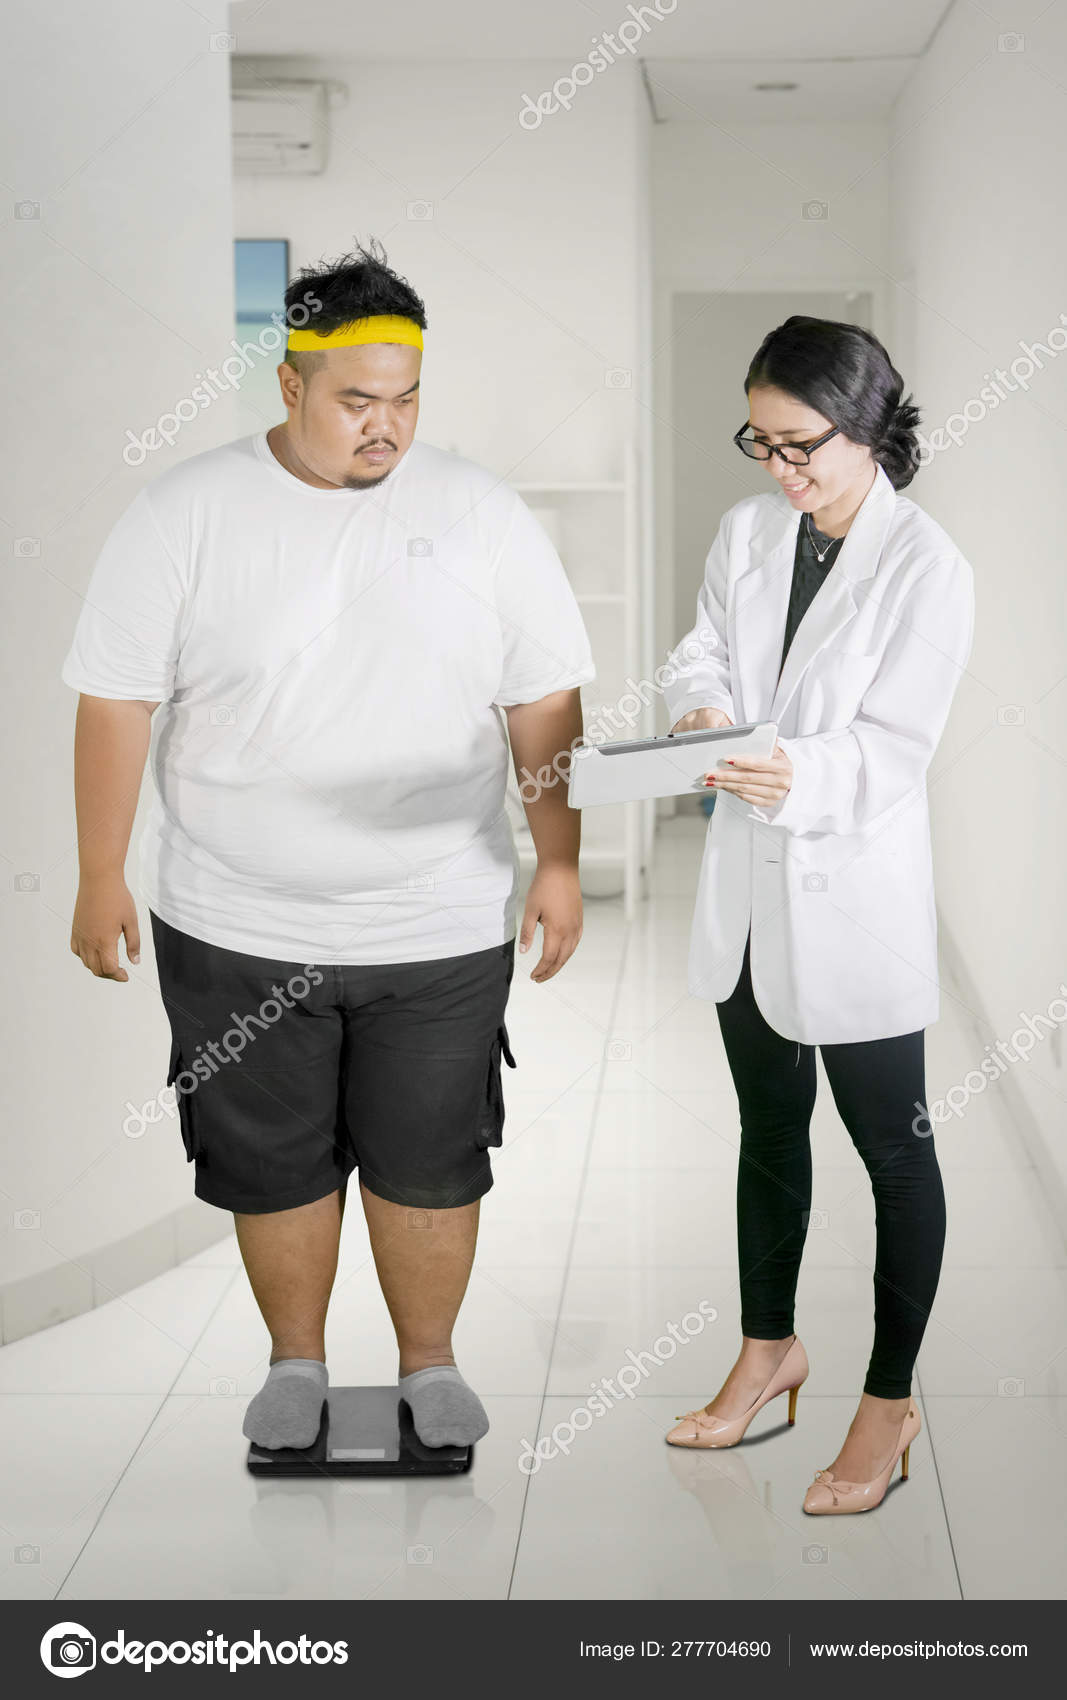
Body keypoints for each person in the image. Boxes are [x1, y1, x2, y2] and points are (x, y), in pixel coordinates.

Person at [61, 240, 595, 1454]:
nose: (386, 428)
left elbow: (543, 701)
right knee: (270, 1156)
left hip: (437, 916)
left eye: (407, 399)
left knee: (431, 1153)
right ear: (289, 382)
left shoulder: (480, 513)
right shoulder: (185, 511)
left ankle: (431, 1363)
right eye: (358, 400)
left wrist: (556, 857)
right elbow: (113, 699)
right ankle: (293, 1361)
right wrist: (99, 871)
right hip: (235, 916)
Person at [661, 316, 974, 1515]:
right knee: (766, 1129)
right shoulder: (750, 530)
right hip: (748, 897)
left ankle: (886, 1404)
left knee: (893, 1150)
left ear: (867, 428)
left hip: (855, 902)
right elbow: (699, 654)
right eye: (760, 440)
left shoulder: (924, 566)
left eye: (799, 445)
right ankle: (767, 1349)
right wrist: (696, 715)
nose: (777, 469)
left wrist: (797, 772)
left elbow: (894, 745)